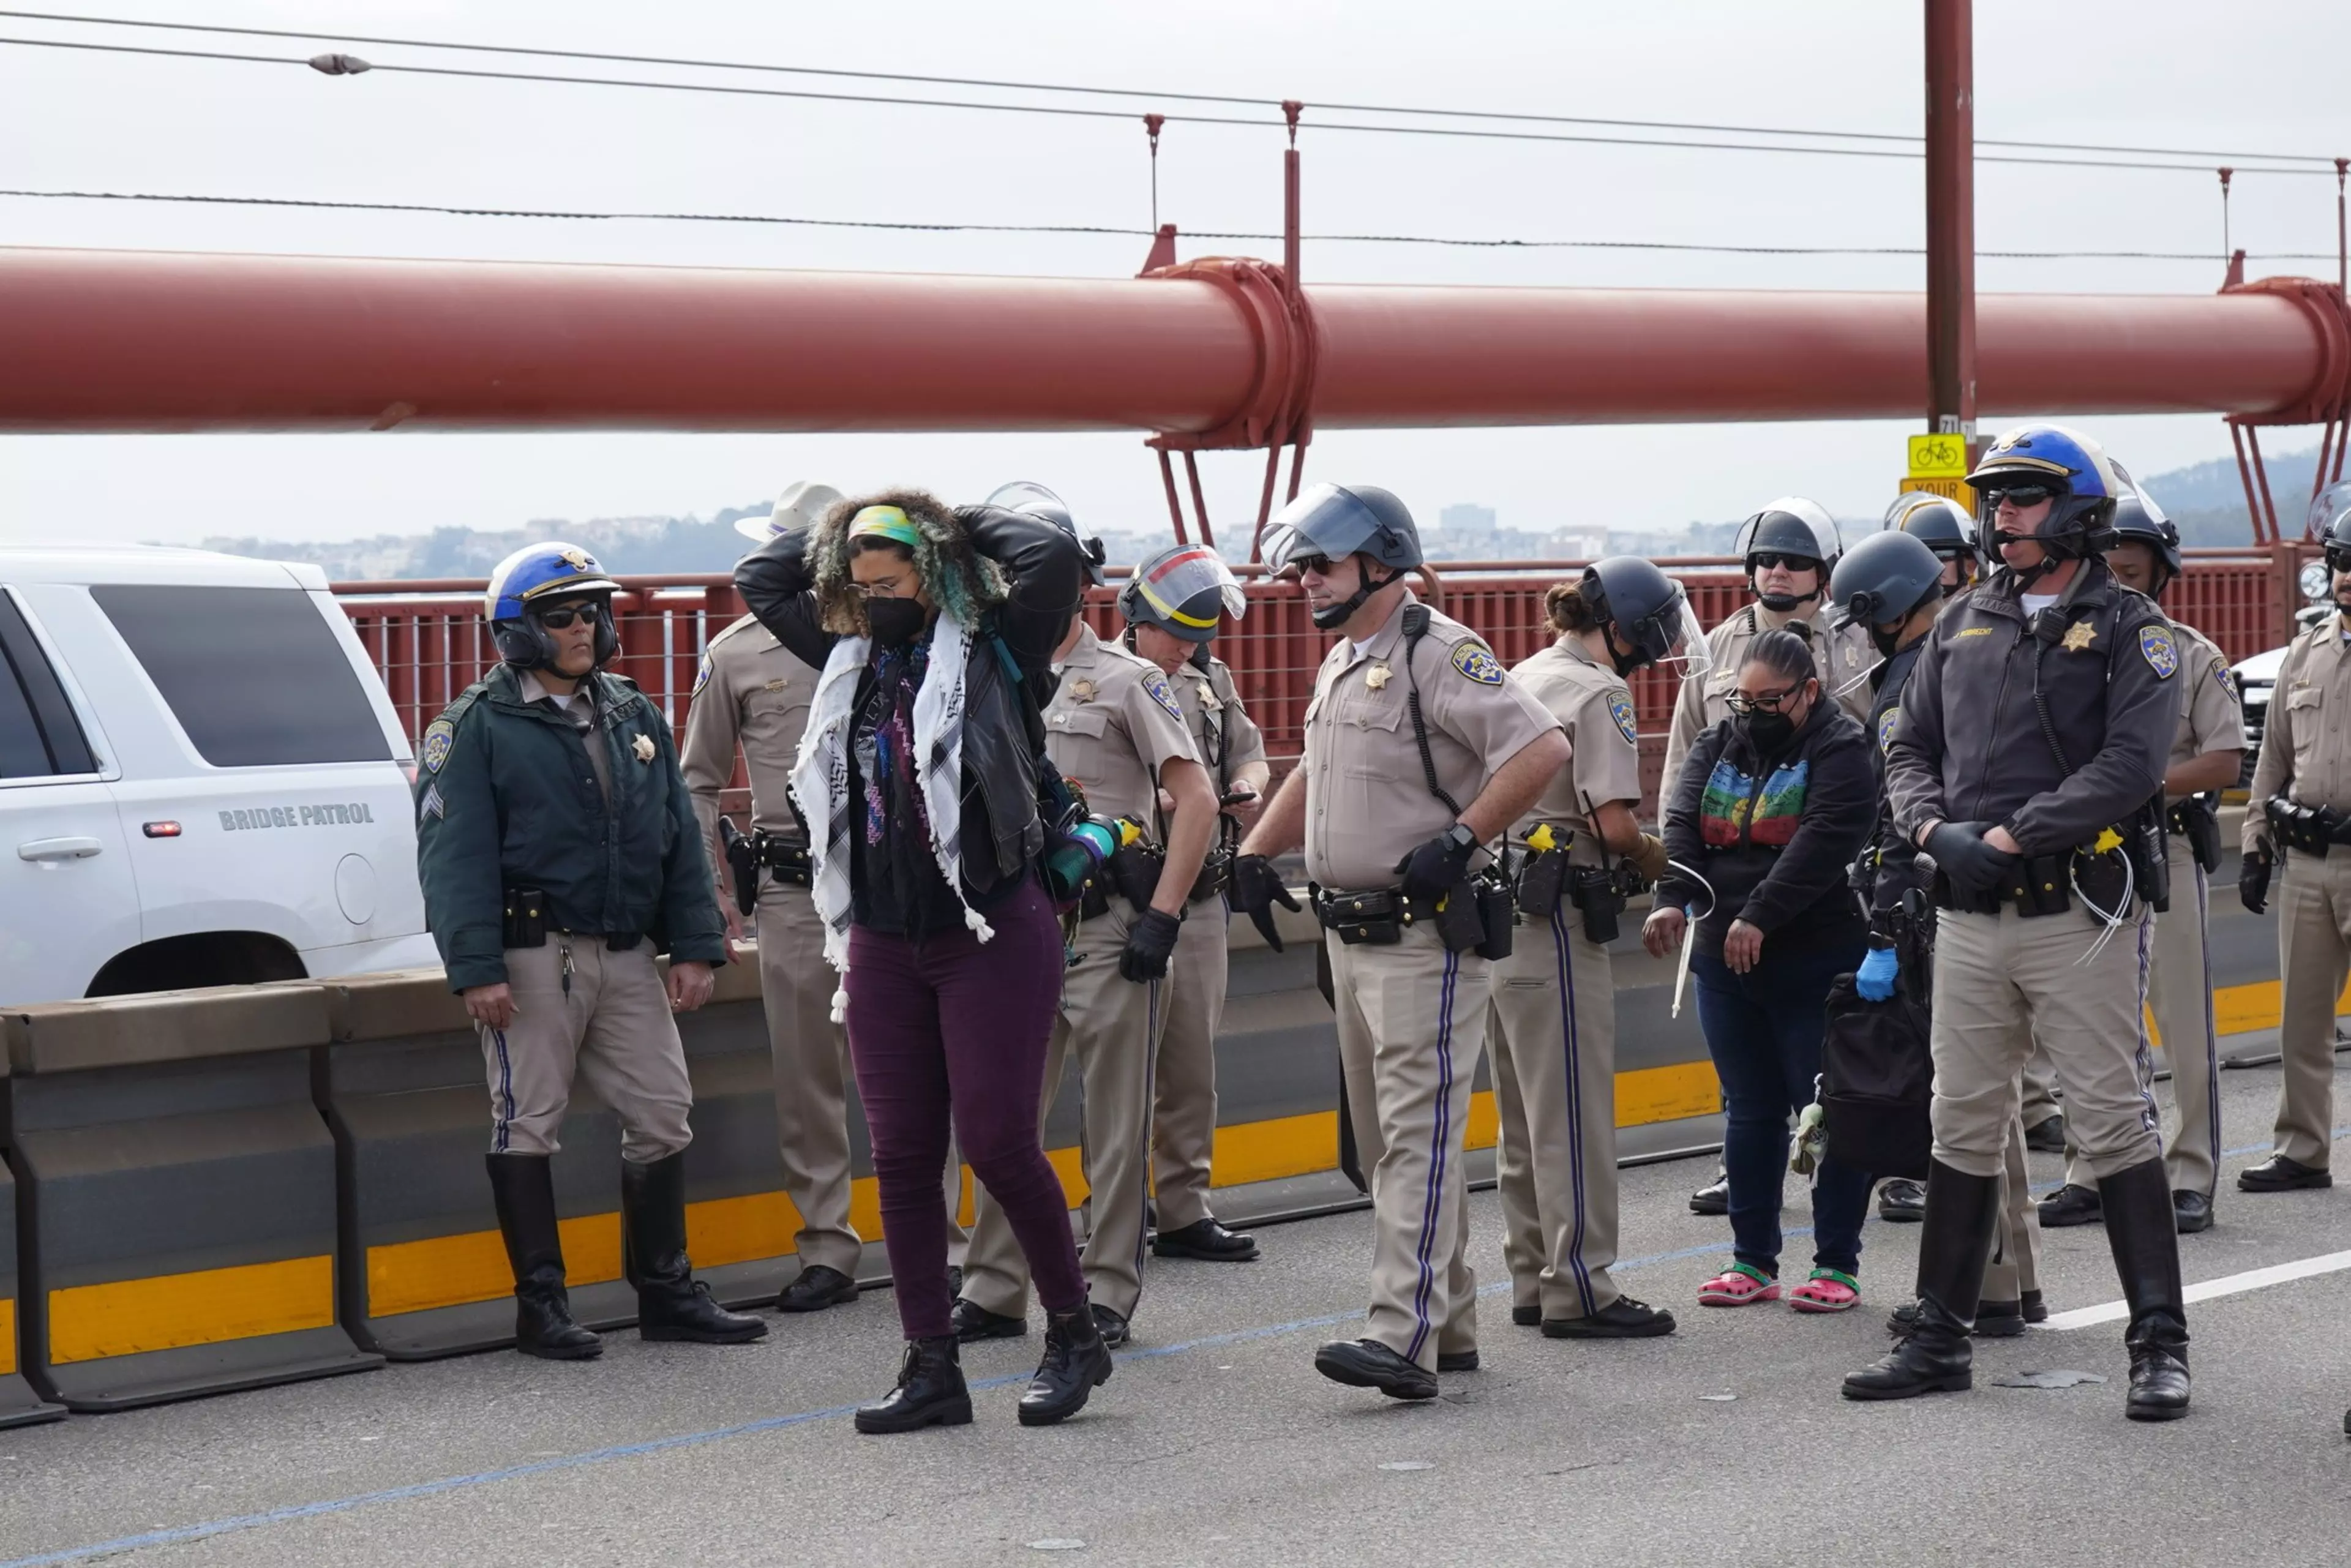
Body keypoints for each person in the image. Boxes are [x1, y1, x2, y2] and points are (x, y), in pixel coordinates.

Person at [735, 489, 1110, 1433]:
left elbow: (1051, 561)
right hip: (884, 934)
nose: (873, 601)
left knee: (996, 1142)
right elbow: (760, 577)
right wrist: (851, 526)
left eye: (890, 581)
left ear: (934, 574)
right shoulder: (854, 659)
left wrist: (937, 520)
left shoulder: (1000, 651)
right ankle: (930, 1363)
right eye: (858, 587)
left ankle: (1073, 1330)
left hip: (988, 925)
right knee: (901, 1157)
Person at [1845, 424, 2190, 1422]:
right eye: (1996, 498)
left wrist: (2004, 837)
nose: (2003, 514)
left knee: (2109, 1115)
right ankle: (1940, 1333)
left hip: (2073, 906)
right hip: (1967, 911)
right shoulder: (1961, 623)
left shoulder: (2130, 628)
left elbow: (2129, 769)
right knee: (1961, 1114)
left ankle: (2159, 1343)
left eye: (2026, 497)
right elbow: (1907, 743)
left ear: (2079, 510)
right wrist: (1928, 827)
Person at [1230, 482, 1567, 1400]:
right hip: (1349, 935)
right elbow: (1316, 769)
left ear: (1379, 563)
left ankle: (1401, 1334)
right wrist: (1257, 851)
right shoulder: (1346, 660)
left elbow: (1541, 749)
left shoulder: (1439, 653)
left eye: (1320, 564)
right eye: (1300, 567)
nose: (1303, 581)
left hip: (1425, 940)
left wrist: (1463, 839)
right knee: (1388, 1144)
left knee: (1415, 1139)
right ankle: (1450, 1320)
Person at [414, 541, 767, 1361]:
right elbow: (450, 854)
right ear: (518, 631)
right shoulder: (472, 726)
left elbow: (677, 835)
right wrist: (476, 968)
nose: (587, 626)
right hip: (532, 950)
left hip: (623, 951)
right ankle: (542, 1306)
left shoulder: (629, 710)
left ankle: (667, 1290)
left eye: (593, 611)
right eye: (563, 616)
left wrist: (694, 945)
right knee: (527, 1121)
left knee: (663, 1112)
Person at [956, 500, 1219, 1349]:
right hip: (1013, 931)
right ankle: (994, 1288)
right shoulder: (980, 675)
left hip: (1108, 929)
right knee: (1004, 1120)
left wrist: (1164, 919)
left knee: (1114, 1125)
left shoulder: (1126, 680)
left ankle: (1107, 1293)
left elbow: (1199, 800)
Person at [1833, 530, 2045, 1336]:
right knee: (1993, 1099)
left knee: (1964, 1105)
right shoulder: (1970, 654)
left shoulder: (1905, 684)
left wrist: (1884, 926)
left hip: (1930, 908)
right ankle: (2009, 1277)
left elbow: (1898, 813)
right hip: (1974, 888)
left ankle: (1983, 1288)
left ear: (1882, 608)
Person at [678, 479, 874, 1315]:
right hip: (795, 891)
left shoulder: (893, 636)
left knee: (920, 1072)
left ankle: (942, 1241)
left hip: (891, 884)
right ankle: (828, 1246)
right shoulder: (736, 654)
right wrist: (710, 891)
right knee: (807, 1078)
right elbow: (693, 781)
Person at [1488, 557, 1693, 1340]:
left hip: (1502, 915)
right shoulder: (1601, 691)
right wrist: (1656, 859)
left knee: (1522, 1113)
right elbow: (1609, 823)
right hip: (1561, 918)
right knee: (1573, 1111)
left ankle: (1532, 1275)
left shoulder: (1526, 670)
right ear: (1630, 627)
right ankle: (1583, 1285)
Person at [1645, 631, 1877, 1313]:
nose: (1752, 712)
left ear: (1809, 692)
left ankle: (1837, 1261)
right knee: (1748, 1109)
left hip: (1817, 956)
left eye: (1768, 700)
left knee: (1824, 1111)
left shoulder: (1842, 748)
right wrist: (1672, 899)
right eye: (1741, 699)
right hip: (1726, 960)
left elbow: (1826, 838)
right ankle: (1752, 1258)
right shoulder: (1718, 745)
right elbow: (1682, 823)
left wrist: (1762, 915)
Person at [2036, 481, 2242, 1232]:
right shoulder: (2065, 654)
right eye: (2104, 564)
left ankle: (2189, 1174)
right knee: (2087, 1026)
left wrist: (2137, 782)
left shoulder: (2189, 655)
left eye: (2130, 567)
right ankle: (2091, 1169)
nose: (2115, 577)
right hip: (2082, 859)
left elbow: (2224, 760)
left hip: (2163, 850)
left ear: (2161, 570)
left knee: (2182, 1021)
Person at [1665, 498, 1877, 1217]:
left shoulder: (1856, 640)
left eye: (1794, 561)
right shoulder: (1718, 648)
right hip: (1732, 887)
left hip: (1837, 879)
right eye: (1765, 560)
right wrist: (1677, 879)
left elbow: (1882, 748)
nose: (1778, 572)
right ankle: (1745, 1174)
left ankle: (1877, 1171)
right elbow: (1685, 762)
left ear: (1824, 572)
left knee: (1842, 1059)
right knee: (1747, 1080)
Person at [1116, 542, 1270, 1265]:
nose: (1184, 647)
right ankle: (1114, 1207)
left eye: (1196, 635)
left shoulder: (1209, 675)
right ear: (1136, 620)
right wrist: (1164, 799)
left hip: (1202, 895)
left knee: (1190, 1065)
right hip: (1127, 894)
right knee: (1120, 1065)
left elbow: (1248, 749)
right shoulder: (1102, 681)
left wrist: (1245, 783)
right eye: (1173, 632)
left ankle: (1183, 1206)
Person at [2237, 501, 2351, 1199]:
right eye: (2342, 563)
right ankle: (2303, 1150)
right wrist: (2254, 845)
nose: (2348, 577)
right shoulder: (2307, 653)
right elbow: (2272, 760)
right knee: (2302, 1022)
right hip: (2309, 862)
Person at [1888, 490, 1983, 599]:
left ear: (1971, 564)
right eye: (1919, 559)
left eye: (1942, 556)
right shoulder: (1900, 614)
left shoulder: (1987, 614)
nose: (1930, 566)